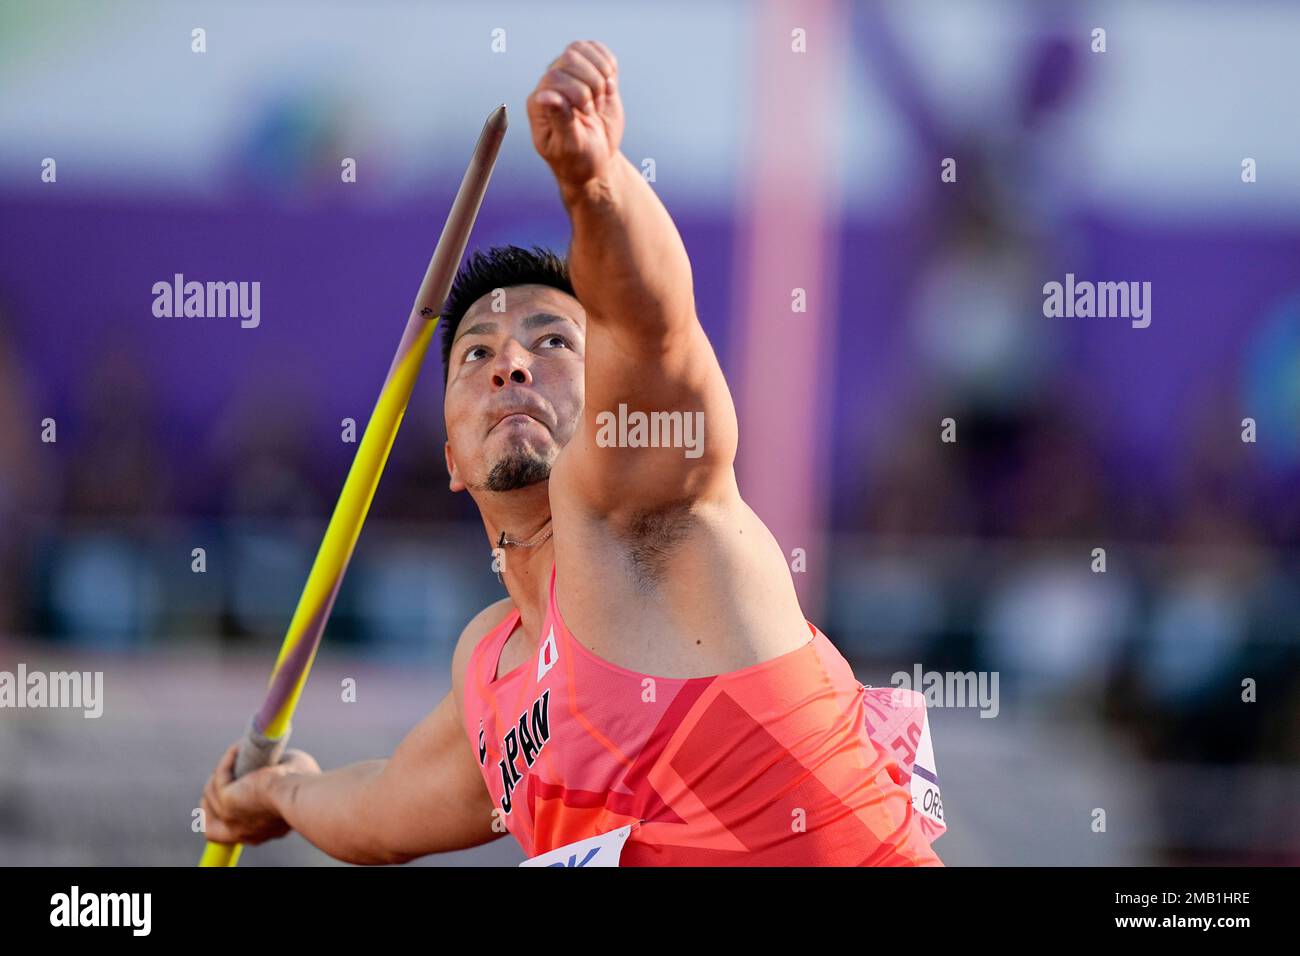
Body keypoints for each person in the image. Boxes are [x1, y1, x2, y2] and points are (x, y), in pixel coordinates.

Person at [201, 39, 942, 866]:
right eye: (476, 354)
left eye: (552, 339)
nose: (511, 361)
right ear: (450, 455)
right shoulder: (491, 669)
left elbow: (653, 324)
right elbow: (380, 813)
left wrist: (595, 185)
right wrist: (274, 793)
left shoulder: (641, 514)